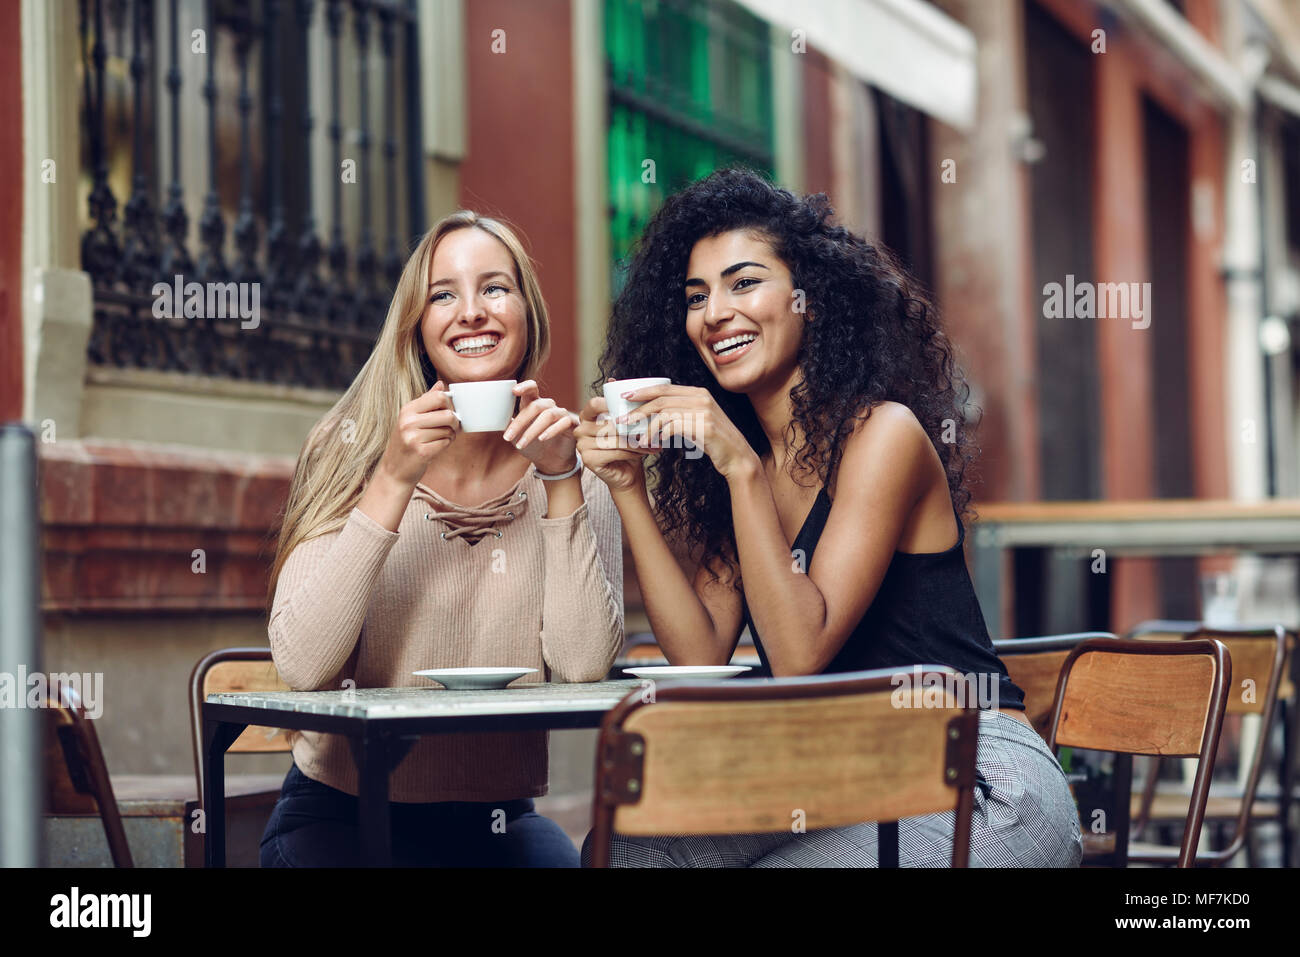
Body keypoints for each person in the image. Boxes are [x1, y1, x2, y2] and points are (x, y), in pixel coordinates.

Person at [574, 168, 1082, 867]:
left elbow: (798, 654)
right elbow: (696, 657)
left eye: (744, 282)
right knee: (631, 847)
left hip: (981, 782)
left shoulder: (885, 437)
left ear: (809, 300)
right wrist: (628, 487)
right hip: (849, 776)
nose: (715, 312)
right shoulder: (743, 466)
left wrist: (740, 469)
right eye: (696, 296)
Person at [259, 211, 624, 867]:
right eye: (444, 294)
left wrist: (563, 480)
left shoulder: (573, 469)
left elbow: (583, 663)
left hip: (498, 822)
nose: (472, 312)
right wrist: (393, 479)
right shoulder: (349, 454)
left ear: (527, 314)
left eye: (495, 288)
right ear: (418, 327)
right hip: (343, 813)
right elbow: (305, 665)